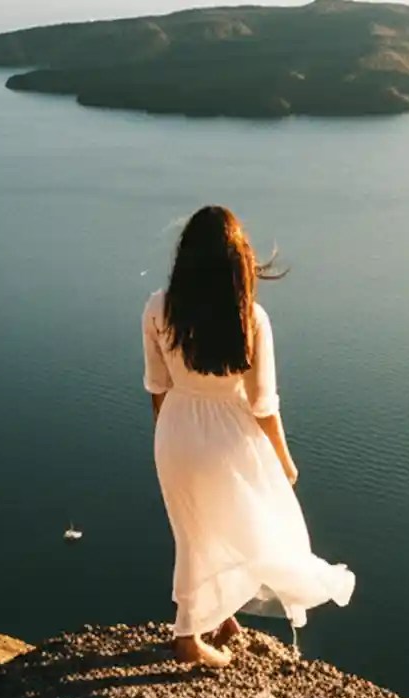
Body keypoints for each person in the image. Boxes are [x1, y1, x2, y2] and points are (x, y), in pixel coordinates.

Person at [142, 205, 356, 667]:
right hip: (228, 437)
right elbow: (264, 406)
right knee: (241, 527)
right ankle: (187, 639)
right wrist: (284, 461)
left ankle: (220, 617)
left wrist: (168, 436)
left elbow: (157, 386)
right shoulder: (250, 319)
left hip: (175, 430)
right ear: (238, 263)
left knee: (196, 530)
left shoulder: (158, 308)